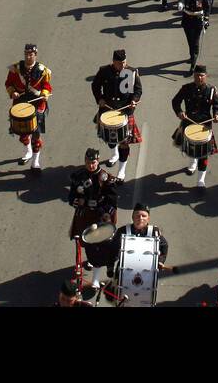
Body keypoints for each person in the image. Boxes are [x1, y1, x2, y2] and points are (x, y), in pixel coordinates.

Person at [68, 147, 120, 291]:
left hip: (100, 215)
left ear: (98, 161)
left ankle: (96, 278)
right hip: (84, 215)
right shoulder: (78, 176)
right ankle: (91, 260)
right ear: (85, 161)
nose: (91, 165)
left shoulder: (105, 178)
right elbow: (71, 196)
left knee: (100, 245)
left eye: (94, 162)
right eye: (89, 162)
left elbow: (113, 200)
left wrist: (106, 213)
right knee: (86, 242)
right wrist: (77, 202)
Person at [91, 49, 143, 182]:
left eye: (124, 62)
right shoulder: (104, 71)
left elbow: (138, 90)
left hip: (125, 112)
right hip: (108, 110)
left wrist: (134, 100)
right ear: (113, 62)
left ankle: (121, 171)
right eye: (120, 63)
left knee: (124, 142)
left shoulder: (132, 72)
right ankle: (114, 154)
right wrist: (100, 99)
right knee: (111, 139)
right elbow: (95, 85)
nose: (123, 66)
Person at [172, 66, 218, 188]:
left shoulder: (211, 90)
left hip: (205, 126)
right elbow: (175, 101)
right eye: (197, 75)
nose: (199, 78)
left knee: (203, 154)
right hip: (189, 123)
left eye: (202, 75)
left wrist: (216, 114)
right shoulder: (186, 88)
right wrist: (179, 112)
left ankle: (200, 181)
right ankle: (192, 163)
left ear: (206, 76)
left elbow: (217, 106)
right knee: (192, 148)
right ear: (194, 76)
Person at [5, 43, 52, 171]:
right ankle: (28, 151)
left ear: (35, 55)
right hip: (21, 104)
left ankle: (35, 162)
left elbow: (47, 86)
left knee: (36, 134)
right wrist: (12, 92)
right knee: (22, 132)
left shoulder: (42, 70)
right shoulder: (16, 69)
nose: (28, 56)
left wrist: (44, 94)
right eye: (26, 54)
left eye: (31, 54)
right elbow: (8, 83)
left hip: (37, 103)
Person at [109, 203, 169, 289]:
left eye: (143, 216)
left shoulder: (154, 232)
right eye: (137, 216)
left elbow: (164, 245)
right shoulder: (123, 230)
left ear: (148, 219)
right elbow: (113, 249)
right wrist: (110, 267)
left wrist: (160, 261)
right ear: (132, 218)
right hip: (124, 270)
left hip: (148, 271)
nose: (140, 218)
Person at [176, 0, 210, 70]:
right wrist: (180, 3)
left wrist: (206, 18)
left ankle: (193, 64)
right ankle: (192, 56)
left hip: (198, 20)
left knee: (195, 42)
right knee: (190, 41)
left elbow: (207, 6)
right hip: (187, 20)